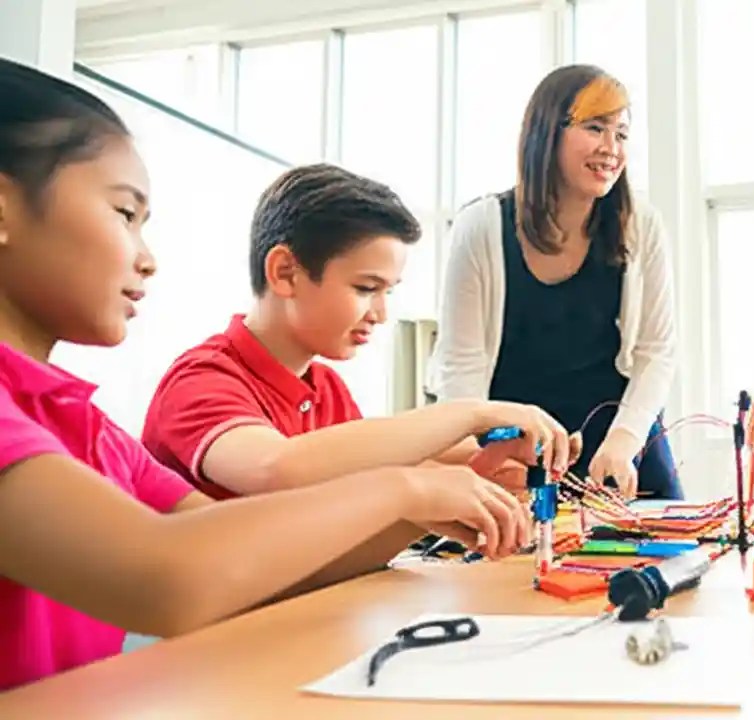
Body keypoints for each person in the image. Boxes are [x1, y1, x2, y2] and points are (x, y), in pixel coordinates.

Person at [0, 58, 529, 691]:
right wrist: (414, 478)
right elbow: (170, 573)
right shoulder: (191, 381)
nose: (148, 259)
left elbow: (256, 564)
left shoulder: (81, 424)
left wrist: (431, 504)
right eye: (123, 214)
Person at [141, 164, 572, 500]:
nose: (381, 313)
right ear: (285, 272)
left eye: (387, 291)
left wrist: (493, 458)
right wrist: (473, 413)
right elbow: (276, 469)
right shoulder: (201, 380)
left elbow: (375, 460)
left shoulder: (325, 389)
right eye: (366, 289)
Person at [432, 64, 680, 500]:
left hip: (617, 440)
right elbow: (461, 365)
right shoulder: (480, 227)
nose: (611, 148)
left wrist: (625, 440)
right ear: (545, 132)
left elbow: (657, 351)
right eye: (594, 127)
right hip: (514, 442)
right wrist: (478, 452)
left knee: (664, 562)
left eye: (621, 134)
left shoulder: (641, 225)